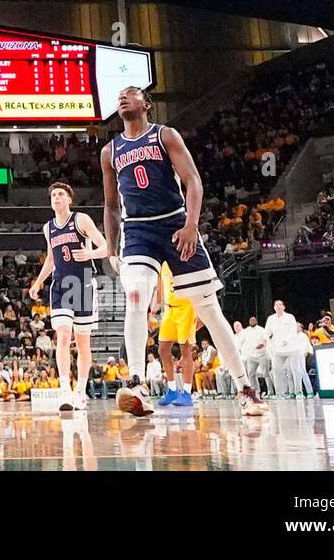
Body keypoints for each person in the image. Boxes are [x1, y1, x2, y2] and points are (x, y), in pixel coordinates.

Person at [102, 86, 267, 417]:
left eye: (130, 94)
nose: (123, 98)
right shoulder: (110, 150)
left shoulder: (165, 135)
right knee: (135, 297)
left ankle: (245, 388)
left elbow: (193, 180)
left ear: (146, 104)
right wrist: (110, 247)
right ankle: (136, 383)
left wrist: (191, 225)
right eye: (119, 95)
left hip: (175, 224)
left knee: (210, 311)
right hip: (138, 230)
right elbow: (110, 205)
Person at [27, 182, 107, 411]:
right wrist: (38, 281)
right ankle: (64, 390)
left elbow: (106, 247)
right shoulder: (48, 227)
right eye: (53, 195)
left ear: (69, 200)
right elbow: (51, 260)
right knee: (62, 335)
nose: (56, 197)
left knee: (83, 343)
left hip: (82, 283)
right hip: (61, 285)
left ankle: (80, 390)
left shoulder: (81, 220)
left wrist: (90, 253)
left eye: (61, 194)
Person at [155, 263, 198, 408]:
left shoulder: (186, 258)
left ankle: (187, 392)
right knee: (162, 349)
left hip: (186, 308)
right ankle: (172, 389)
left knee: (185, 350)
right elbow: (160, 293)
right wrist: (152, 313)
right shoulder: (163, 265)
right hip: (169, 309)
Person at [265, 300, 299, 398]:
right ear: (274, 307)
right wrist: (266, 339)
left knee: (294, 370)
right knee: (277, 371)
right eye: (276, 305)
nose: (278, 306)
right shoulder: (271, 319)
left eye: (280, 305)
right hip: (277, 349)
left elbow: (293, 331)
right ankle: (281, 393)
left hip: (291, 348)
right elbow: (267, 332)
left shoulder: (290, 317)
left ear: (284, 307)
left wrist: (286, 340)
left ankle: (298, 392)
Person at [238, 315, 273, 396]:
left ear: (256, 321)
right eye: (251, 320)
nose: (252, 321)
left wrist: (263, 344)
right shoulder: (246, 330)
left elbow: (266, 338)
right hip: (251, 356)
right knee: (251, 374)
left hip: (262, 355)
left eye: (254, 320)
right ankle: (256, 391)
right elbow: (240, 341)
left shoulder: (261, 329)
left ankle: (270, 392)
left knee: (266, 374)